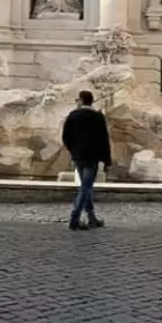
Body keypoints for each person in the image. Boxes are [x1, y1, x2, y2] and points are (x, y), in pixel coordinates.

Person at [60, 90, 112, 231]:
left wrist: (73, 151)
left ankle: (91, 218)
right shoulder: (98, 117)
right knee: (86, 187)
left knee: (85, 186)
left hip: (78, 157)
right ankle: (75, 218)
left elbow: (65, 137)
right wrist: (107, 160)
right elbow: (104, 140)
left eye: (78, 99)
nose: (77, 102)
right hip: (92, 158)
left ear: (82, 100)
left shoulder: (73, 116)